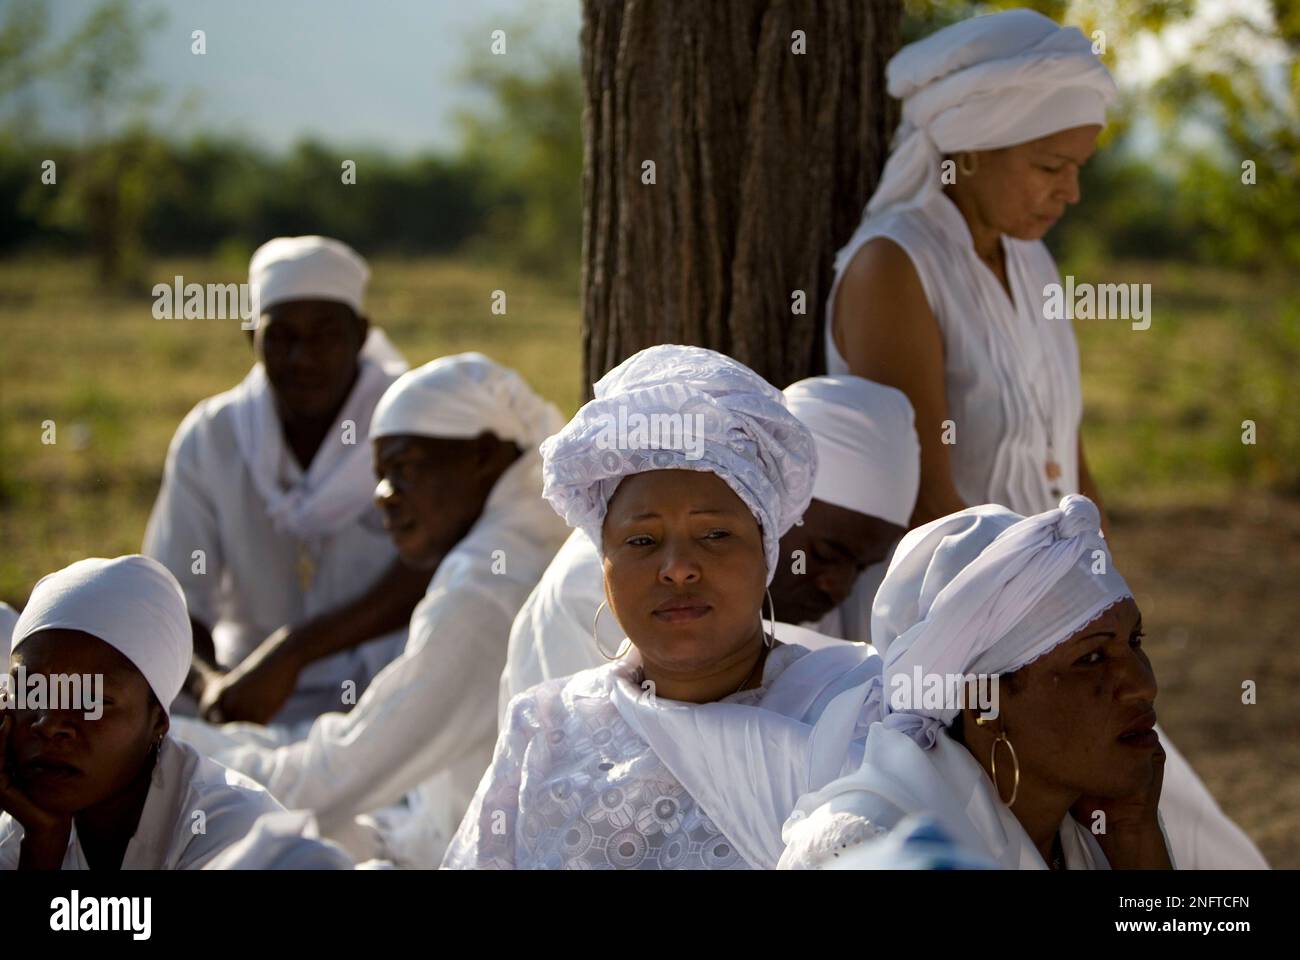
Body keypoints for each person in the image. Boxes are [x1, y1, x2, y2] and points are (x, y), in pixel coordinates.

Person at [445, 345, 882, 870]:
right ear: (603, 567)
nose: (677, 568)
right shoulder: (544, 729)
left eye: (715, 534)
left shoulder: (849, 715)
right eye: (642, 541)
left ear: (765, 553)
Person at [170, 354, 570, 867]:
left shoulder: (483, 587)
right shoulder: (525, 535)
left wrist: (180, 752)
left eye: (403, 470)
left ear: (484, 455)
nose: (383, 497)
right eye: (379, 476)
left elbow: (334, 779)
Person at [780, 496, 1266, 869]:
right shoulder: (864, 844)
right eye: (1091, 658)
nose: (1143, 684)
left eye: (1135, 641)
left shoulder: (1090, 832)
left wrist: (1136, 840)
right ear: (986, 706)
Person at [828, 9, 1116, 530]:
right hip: (942, 601)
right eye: (1050, 167)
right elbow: (927, 502)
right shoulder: (894, 267)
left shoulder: (1032, 260)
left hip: (1050, 593)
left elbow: (1070, 458)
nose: (1071, 193)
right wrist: (1046, 603)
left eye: (1079, 168)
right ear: (972, 152)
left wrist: (1100, 578)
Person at [498, 373, 920, 715]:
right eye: (827, 553)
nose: (837, 586)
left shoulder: (840, 683)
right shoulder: (606, 600)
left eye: (861, 567)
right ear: (769, 511)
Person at [144, 236, 429, 727]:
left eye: (325, 334)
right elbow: (172, 602)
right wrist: (212, 687)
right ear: (251, 336)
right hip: (248, 692)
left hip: (389, 692)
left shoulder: (412, 423)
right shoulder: (211, 438)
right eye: (282, 337)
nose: (303, 357)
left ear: (360, 334)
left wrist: (295, 653)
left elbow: (432, 563)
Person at [0, 556, 347, 870]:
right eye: (31, 692)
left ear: (159, 723)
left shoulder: (230, 831)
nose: (49, 723)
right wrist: (42, 844)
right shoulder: (18, 823)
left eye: (91, 701)